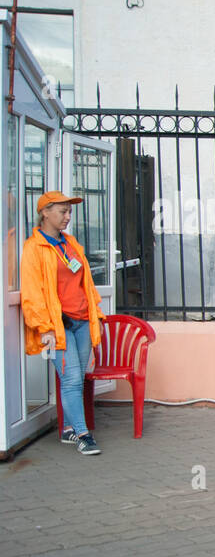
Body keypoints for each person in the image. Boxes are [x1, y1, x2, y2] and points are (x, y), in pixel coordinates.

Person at [19, 190, 106, 455]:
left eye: (69, 212)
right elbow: (32, 293)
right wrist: (43, 327)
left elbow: (85, 283)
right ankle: (83, 434)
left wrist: (96, 316)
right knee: (70, 380)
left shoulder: (70, 243)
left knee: (76, 377)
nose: (68, 217)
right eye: (62, 211)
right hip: (58, 325)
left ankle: (68, 429)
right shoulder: (33, 247)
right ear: (45, 213)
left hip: (81, 320)